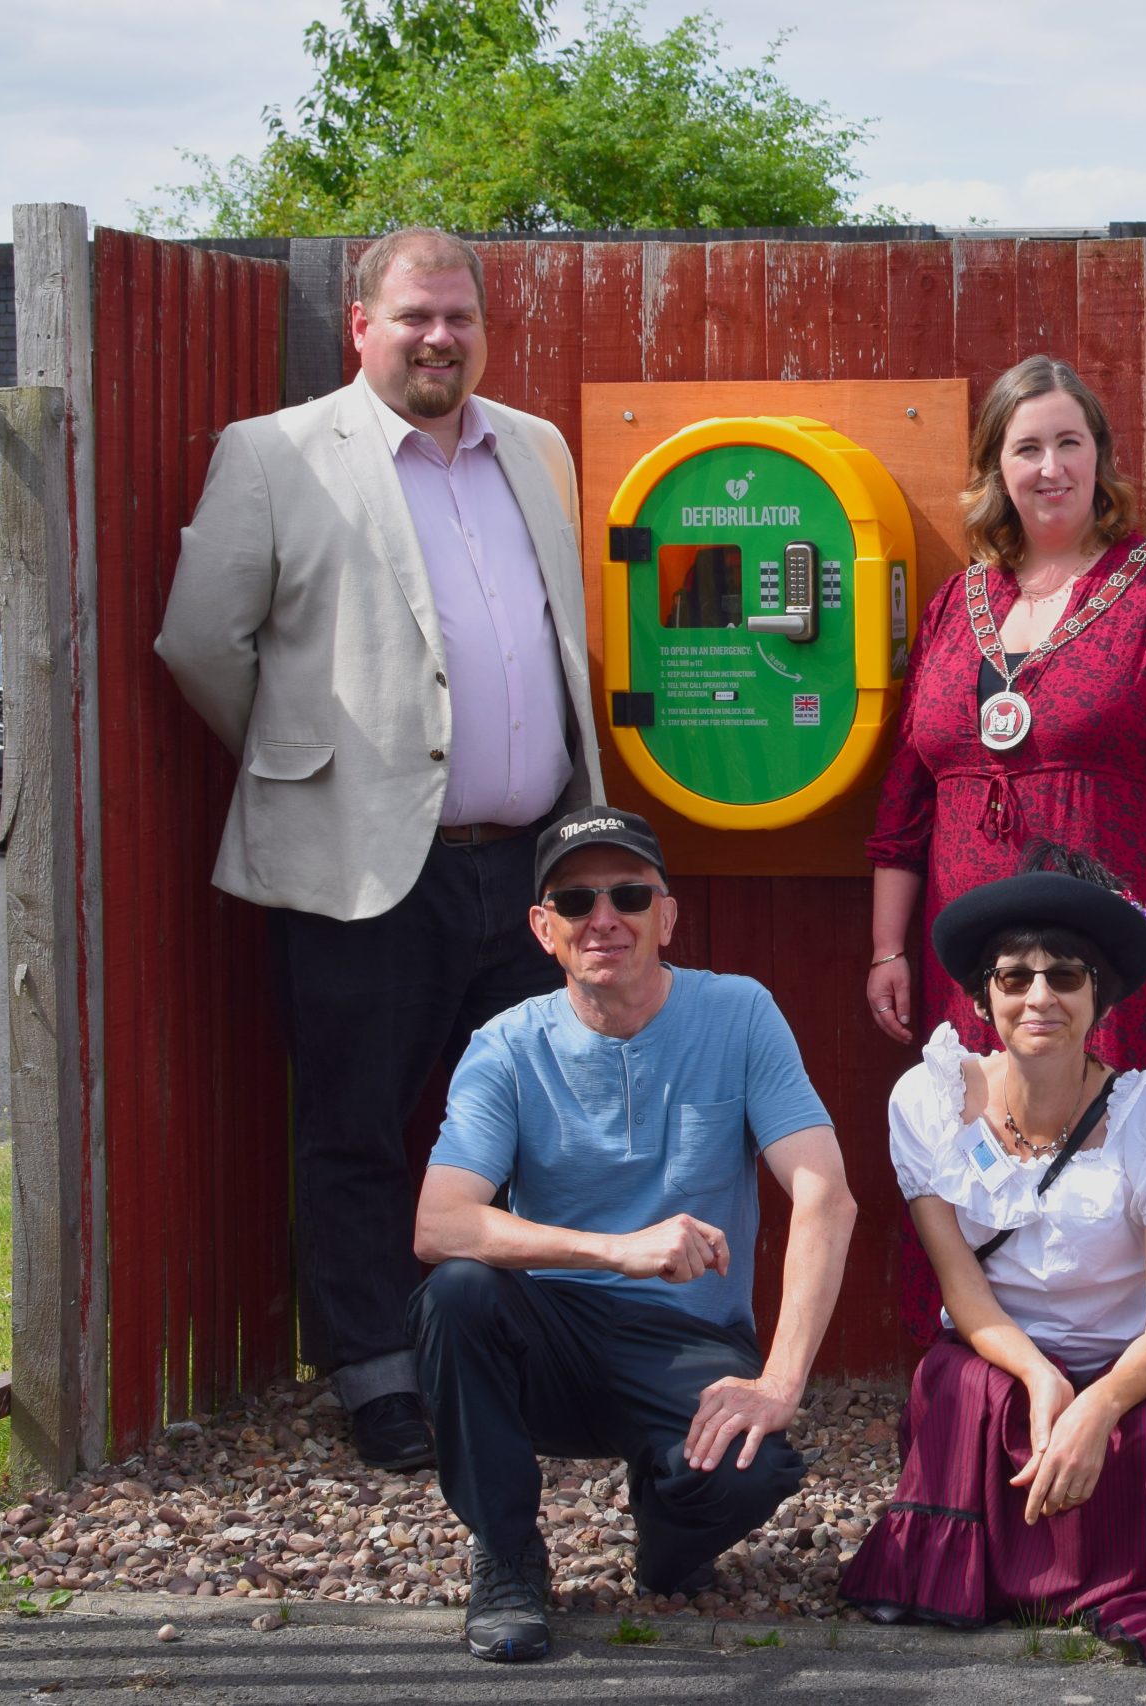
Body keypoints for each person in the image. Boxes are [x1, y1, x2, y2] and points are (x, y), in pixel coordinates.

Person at [156, 227, 603, 1471]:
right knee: (356, 1125)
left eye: (459, 317)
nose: (440, 338)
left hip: (532, 865)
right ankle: (376, 1376)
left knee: (530, 1126)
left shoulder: (538, 447)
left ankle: (510, 1358)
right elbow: (201, 642)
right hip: (358, 862)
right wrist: (313, 760)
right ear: (362, 325)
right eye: (415, 317)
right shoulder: (276, 455)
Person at [841, 844, 1146, 1676]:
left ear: (1100, 997)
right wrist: (1046, 1382)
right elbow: (967, 1298)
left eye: (1065, 976)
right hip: (1009, 1351)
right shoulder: (929, 1102)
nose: (1039, 997)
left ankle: (1102, 1564)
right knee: (957, 1389)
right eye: (1015, 978)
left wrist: (1096, 1410)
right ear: (985, 997)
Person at [410, 806, 857, 1662]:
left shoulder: (740, 1015)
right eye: (575, 903)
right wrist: (619, 1250)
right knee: (457, 1291)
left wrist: (781, 1381)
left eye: (627, 894)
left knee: (753, 1470)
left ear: (667, 914)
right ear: (544, 929)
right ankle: (506, 1554)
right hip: (551, 1335)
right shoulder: (505, 1046)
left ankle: (670, 1531)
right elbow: (440, 1221)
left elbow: (825, 1197)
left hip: (685, 1337)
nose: (603, 918)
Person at [865, 355, 1146, 1339]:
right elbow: (906, 789)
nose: (1048, 467)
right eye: (1025, 447)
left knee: (1117, 1153)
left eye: (1067, 443)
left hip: (1111, 955)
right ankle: (987, 1374)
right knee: (979, 1150)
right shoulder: (960, 602)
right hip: (973, 958)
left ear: (1100, 458)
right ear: (996, 467)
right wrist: (887, 945)